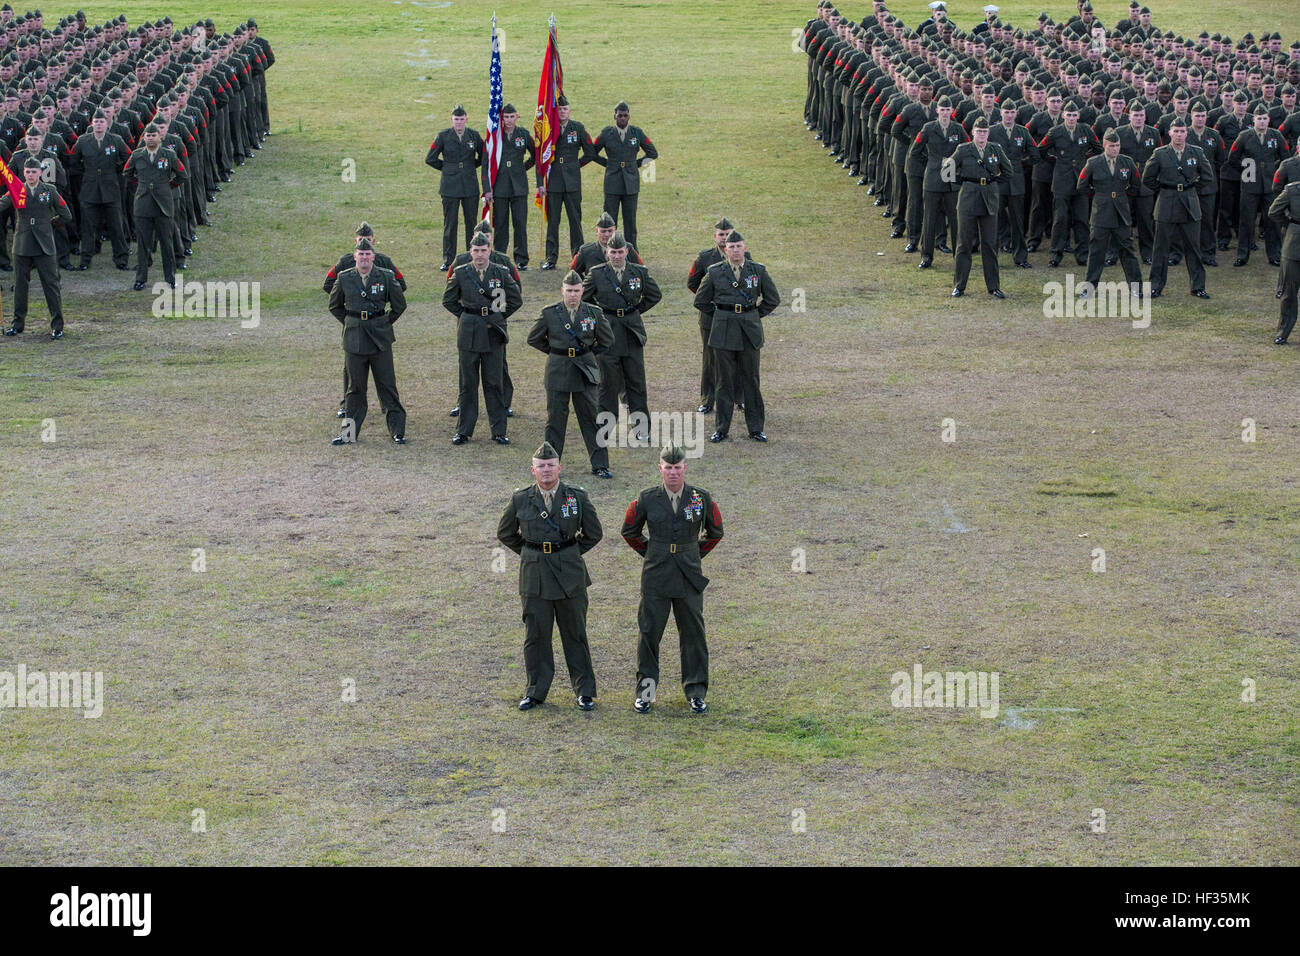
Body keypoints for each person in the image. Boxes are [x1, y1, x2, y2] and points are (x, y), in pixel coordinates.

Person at [498, 442, 602, 712]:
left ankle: (585, 692)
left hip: (570, 577)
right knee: (536, 635)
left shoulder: (576, 497)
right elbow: (506, 533)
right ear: (533, 470)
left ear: (560, 468)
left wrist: (568, 554)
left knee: (575, 634)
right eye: (541, 466)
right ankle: (535, 691)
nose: (546, 470)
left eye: (551, 465)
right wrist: (531, 553)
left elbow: (594, 533)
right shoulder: (520, 499)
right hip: (535, 578)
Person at [620, 444, 724, 714]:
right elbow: (629, 531)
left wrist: (693, 554)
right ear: (660, 469)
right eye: (668, 468)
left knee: (693, 635)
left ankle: (696, 692)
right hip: (656, 574)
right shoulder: (646, 498)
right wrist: (653, 552)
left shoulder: (701, 498)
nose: (673, 473)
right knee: (649, 633)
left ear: (685, 468)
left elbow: (715, 532)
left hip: (689, 575)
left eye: (678, 468)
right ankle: (646, 694)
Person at [693, 229, 780, 442]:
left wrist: (753, 315)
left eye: (739, 246)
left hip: (749, 331)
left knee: (751, 379)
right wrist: (721, 316)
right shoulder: (714, 272)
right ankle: (721, 429)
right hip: (723, 332)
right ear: (725, 249)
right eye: (731, 247)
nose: (735, 250)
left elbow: (772, 298)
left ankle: (756, 428)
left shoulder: (757, 271)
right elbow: (701, 301)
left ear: (745, 248)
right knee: (723, 381)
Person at [527, 270, 614, 478]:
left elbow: (607, 340)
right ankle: (550, 465)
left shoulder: (594, 313)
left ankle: (600, 465)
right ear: (562, 291)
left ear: (582, 290)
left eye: (576, 291)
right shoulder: (550, 313)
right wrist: (557, 353)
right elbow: (534, 338)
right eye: (569, 291)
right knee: (556, 420)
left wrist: (587, 355)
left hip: (585, 372)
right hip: (558, 372)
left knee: (591, 419)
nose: (572, 295)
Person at [443, 232, 522, 445]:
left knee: (494, 383)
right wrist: (467, 316)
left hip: (493, 333)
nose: (479, 255)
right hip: (469, 333)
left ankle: (498, 430)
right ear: (470, 251)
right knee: (467, 384)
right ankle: (464, 430)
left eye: (483, 250)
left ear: (490, 251)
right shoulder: (460, 273)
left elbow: (515, 299)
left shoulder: (501, 272)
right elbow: (448, 300)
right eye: (476, 250)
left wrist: (498, 317)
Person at [582, 232, 661, 444]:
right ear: (606, 252)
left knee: (636, 383)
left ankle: (642, 429)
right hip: (607, 334)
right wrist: (598, 318)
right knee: (607, 385)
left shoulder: (639, 272)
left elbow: (654, 295)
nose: (616, 256)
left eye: (620, 252)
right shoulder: (597, 274)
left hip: (631, 333)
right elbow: (584, 300)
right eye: (613, 252)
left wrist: (634, 311)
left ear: (627, 251)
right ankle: (605, 429)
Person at [327, 238, 409, 444]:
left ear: (373, 256)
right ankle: (348, 434)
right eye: (360, 254)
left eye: (367, 254)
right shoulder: (344, 278)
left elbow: (399, 305)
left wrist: (383, 322)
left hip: (380, 339)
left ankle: (397, 432)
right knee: (354, 389)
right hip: (354, 340)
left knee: (387, 386)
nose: (364, 258)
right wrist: (352, 322)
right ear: (355, 256)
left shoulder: (386, 276)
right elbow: (334, 306)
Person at [0, 158, 71, 339]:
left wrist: (50, 225)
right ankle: (17, 324)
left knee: (51, 286)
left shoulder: (49, 191)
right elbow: (2, 204)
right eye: (28, 172)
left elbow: (66, 214)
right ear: (23, 173)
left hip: (44, 246)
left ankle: (57, 326)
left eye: (34, 172)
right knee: (20, 287)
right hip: (23, 245)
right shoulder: (17, 190)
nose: (31, 175)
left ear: (40, 172)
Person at [1143, 119, 1213, 299]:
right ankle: (1155, 286)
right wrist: (1165, 190)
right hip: (1167, 202)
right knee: (1160, 248)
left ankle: (1198, 286)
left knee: (1193, 248)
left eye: (1182, 131)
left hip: (1190, 203)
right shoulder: (1159, 153)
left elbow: (1207, 176)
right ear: (1170, 133)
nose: (1179, 135)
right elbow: (1148, 178)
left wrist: (1191, 191)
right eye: (1176, 131)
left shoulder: (1196, 152)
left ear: (1186, 133)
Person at [686, 217, 750, 413]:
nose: (724, 238)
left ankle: (740, 398)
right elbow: (692, 282)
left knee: (740, 356)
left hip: (737, 317)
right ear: (715, 237)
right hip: (711, 316)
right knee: (710, 358)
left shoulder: (747, 257)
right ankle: (708, 400)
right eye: (721, 235)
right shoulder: (705, 258)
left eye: (728, 234)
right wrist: (710, 300)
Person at [1077, 129, 1143, 295]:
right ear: (1105, 145)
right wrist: (1100, 197)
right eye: (1112, 145)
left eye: (1118, 145)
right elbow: (1082, 186)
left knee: (1128, 251)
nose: (1115, 149)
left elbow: (1136, 185)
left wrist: (1121, 197)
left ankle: (1136, 289)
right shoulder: (1093, 163)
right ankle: (1089, 288)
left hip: (1121, 213)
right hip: (1101, 214)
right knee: (1096, 253)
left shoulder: (1127, 162)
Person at [949, 119, 1009, 298]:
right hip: (968, 198)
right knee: (964, 244)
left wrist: (993, 183)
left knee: (990, 245)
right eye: (979, 131)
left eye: (984, 131)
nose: (982, 135)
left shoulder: (995, 149)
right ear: (973, 132)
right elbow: (947, 169)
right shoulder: (963, 149)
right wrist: (961, 182)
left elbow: (1009, 171)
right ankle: (959, 285)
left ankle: (993, 286)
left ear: (988, 133)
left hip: (989, 199)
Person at [126, 123, 185, 290]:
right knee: (143, 244)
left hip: (163, 205)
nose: (151, 138)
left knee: (167, 243)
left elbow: (182, 174)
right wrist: (141, 186)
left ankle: (170, 278)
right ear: (144, 138)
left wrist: (168, 186)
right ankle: (141, 279)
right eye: (148, 135)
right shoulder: (137, 155)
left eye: (154, 135)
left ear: (160, 137)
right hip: (143, 204)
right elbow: (127, 173)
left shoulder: (169, 155)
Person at [590, 101, 657, 249]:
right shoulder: (607, 133)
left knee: (630, 222)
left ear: (629, 117)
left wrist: (635, 164)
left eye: (625, 115)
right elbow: (591, 153)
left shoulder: (636, 133)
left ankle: (632, 252)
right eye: (619, 115)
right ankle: (608, 251)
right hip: (612, 183)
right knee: (609, 222)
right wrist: (607, 164)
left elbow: (653, 153)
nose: (622, 118)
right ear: (614, 116)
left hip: (631, 184)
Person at [539, 94, 595, 270]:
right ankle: (551, 258)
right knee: (553, 222)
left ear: (569, 111)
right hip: (554, 182)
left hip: (572, 183)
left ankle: (578, 258)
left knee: (575, 221)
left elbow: (590, 152)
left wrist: (576, 166)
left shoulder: (577, 128)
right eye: (560, 109)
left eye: (565, 109)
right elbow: (541, 157)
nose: (562, 112)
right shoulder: (549, 129)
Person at [425, 104, 484, 271]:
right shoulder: (443, 136)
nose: (459, 122)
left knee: (471, 223)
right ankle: (448, 259)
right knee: (450, 224)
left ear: (466, 119)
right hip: (450, 186)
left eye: (462, 119)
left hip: (469, 185)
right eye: (456, 119)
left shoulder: (473, 135)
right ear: (452, 120)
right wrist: (447, 167)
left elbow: (484, 155)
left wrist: (471, 166)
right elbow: (430, 158)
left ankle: (470, 255)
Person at [69, 109, 129, 271]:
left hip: (111, 188)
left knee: (116, 226)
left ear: (107, 123)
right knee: (88, 227)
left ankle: (121, 258)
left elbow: (127, 159)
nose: (99, 124)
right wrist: (87, 173)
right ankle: (85, 259)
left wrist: (116, 170)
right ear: (92, 124)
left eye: (102, 121)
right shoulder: (83, 141)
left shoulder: (116, 140)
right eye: (96, 122)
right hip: (89, 189)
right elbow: (73, 162)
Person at [1229, 108, 1287, 266]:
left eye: (1264, 118)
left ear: (1268, 120)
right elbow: (1233, 157)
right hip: (1250, 183)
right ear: (1253, 120)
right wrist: (1246, 167)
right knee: (1246, 221)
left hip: (1270, 185)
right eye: (1259, 118)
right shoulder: (1244, 136)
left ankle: (1274, 255)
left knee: (1272, 221)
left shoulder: (1276, 136)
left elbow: (1285, 157)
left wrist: (1274, 170)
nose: (1262, 121)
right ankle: (1242, 255)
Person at [484, 103, 536, 270]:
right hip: (499, 187)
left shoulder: (523, 134)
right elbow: (486, 164)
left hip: (519, 187)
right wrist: (487, 189)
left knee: (520, 223)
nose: (508, 120)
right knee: (500, 225)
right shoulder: (495, 136)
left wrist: (522, 168)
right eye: (505, 117)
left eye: (511, 116)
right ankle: (499, 258)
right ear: (501, 118)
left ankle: (521, 260)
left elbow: (535, 156)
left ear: (517, 117)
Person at [1268, 181, 1300, 344]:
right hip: (1294, 246)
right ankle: (1283, 331)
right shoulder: (1292, 190)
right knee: (1289, 292)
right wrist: (1291, 226)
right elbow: (1274, 211)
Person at [569, 210, 640, 278]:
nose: (607, 234)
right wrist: (585, 285)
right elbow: (573, 272)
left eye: (610, 231)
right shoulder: (586, 251)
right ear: (596, 231)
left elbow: (641, 269)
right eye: (603, 231)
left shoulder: (628, 248)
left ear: (615, 230)